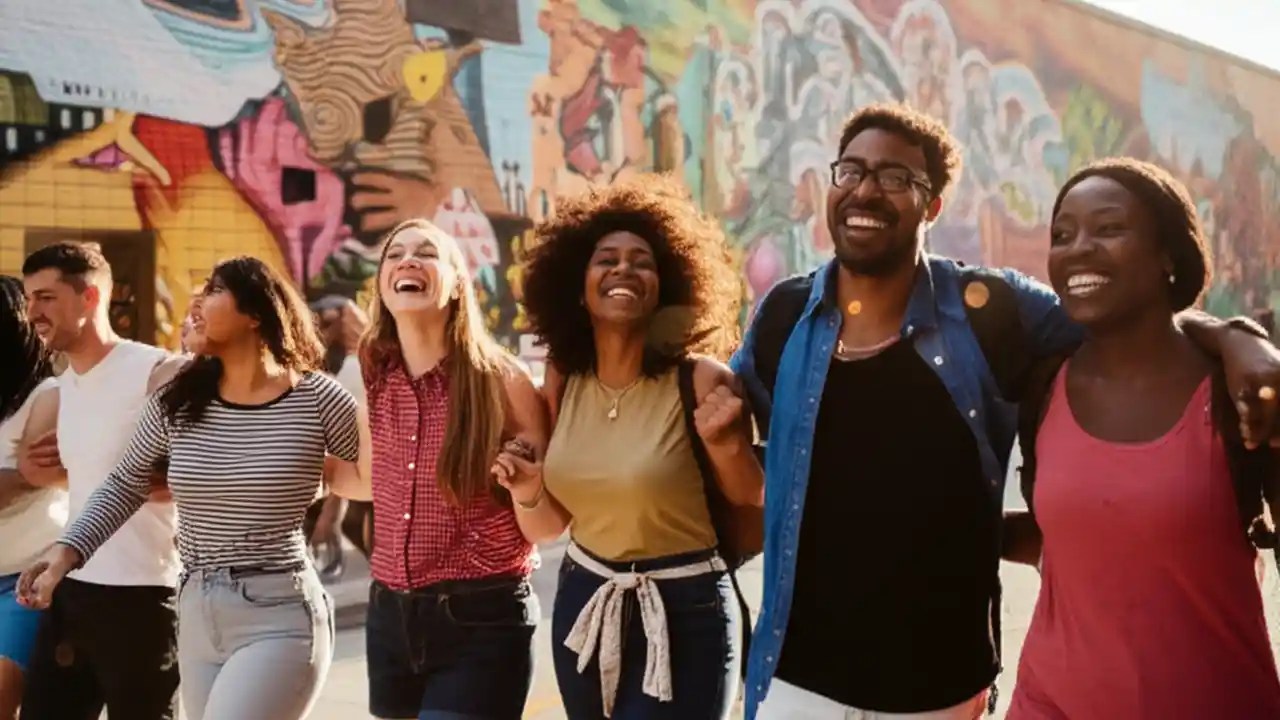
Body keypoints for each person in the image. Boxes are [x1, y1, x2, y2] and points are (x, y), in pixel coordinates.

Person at [732, 103, 1280, 720]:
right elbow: (737, 445)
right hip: (796, 681)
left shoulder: (992, 313)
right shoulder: (783, 316)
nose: (865, 190)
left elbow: (1129, 325)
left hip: (936, 690)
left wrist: (1237, 336)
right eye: (851, 170)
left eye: (894, 178)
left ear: (932, 204)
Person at [17, 255, 362, 720]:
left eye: (214, 292)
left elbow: (372, 479)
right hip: (196, 609)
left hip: (278, 610)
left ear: (256, 312)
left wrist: (320, 475)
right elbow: (124, 483)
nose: (195, 304)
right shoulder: (179, 400)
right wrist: (64, 551)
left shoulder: (315, 398)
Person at [1002, 158, 1280, 719]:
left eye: (1108, 228)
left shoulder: (1238, 396)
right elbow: (1071, 537)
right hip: (1048, 703)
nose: (1079, 248)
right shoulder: (1041, 385)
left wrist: (1237, 339)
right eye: (1063, 234)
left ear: (1167, 259)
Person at [519, 175, 763, 718]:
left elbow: (751, 495)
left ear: (668, 285)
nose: (624, 269)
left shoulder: (702, 380)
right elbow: (556, 517)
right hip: (584, 599)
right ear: (578, 286)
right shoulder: (563, 377)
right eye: (606, 259)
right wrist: (526, 486)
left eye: (642, 261)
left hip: (687, 610)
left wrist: (724, 442)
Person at [353, 218, 553, 720]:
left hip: (481, 623)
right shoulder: (377, 374)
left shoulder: (500, 380)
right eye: (396, 253)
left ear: (458, 282)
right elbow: (369, 476)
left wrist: (526, 486)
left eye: (427, 253)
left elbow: (547, 525)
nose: (409, 261)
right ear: (382, 283)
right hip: (389, 617)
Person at [18, 241, 185, 720]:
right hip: (72, 586)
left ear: (90, 298)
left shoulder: (157, 371)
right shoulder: (63, 386)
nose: (33, 312)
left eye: (46, 298)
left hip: (143, 595)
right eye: (30, 299)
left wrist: (173, 480)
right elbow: (88, 479)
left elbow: (203, 466)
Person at [0, 277, 63, 720]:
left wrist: (22, 476)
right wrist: (19, 474)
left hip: (24, 582)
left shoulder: (48, 396)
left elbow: (42, 474)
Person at [305, 296, 373, 577]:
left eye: (330, 322)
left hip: (365, 480)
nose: (322, 331)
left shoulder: (354, 368)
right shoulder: (339, 367)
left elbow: (347, 446)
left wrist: (331, 515)